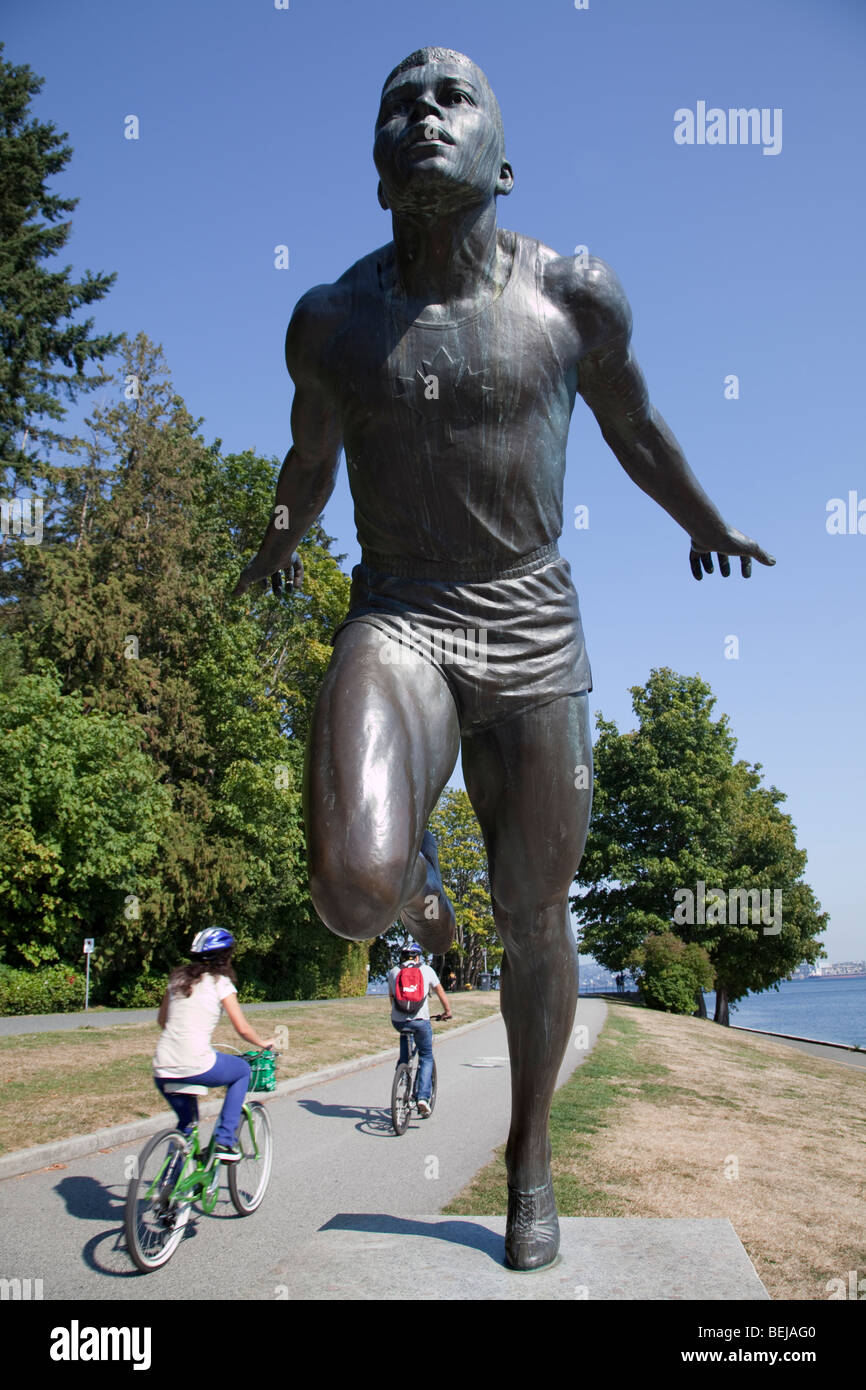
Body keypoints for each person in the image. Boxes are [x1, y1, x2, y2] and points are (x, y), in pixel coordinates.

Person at [233, 47, 774, 1267]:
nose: (422, 115)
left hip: (533, 630)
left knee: (536, 915)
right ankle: (410, 849)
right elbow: (308, 469)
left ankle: (528, 1151)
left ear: (504, 164)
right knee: (354, 892)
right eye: (397, 107)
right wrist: (272, 547)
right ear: (377, 172)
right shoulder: (329, 322)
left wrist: (704, 521)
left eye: (449, 99)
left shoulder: (572, 296)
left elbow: (633, 427)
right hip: (401, 618)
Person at [153, 928, 274, 1160]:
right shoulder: (221, 983)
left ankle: (170, 1190)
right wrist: (263, 1042)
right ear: (225, 956)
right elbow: (242, 1029)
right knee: (241, 1071)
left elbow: (162, 1021)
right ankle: (225, 1140)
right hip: (196, 1063)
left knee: (187, 1123)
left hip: (162, 1066)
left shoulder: (177, 979)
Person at [388, 942, 452, 1115]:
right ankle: (423, 1098)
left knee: (404, 1055)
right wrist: (447, 1011)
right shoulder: (427, 970)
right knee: (426, 1056)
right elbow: (440, 992)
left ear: (402, 957)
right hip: (421, 1021)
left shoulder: (393, 972)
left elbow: (392, 999)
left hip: (399, 1021)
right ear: (417, 957)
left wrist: (400, 1015)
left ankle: (402, 1075)